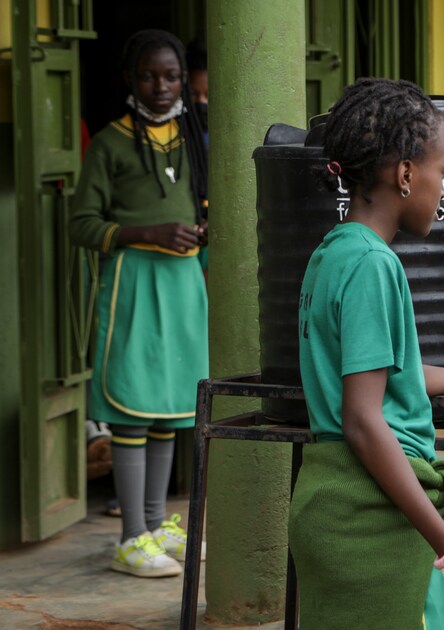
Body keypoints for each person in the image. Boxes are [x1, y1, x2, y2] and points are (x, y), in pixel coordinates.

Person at [287, 78, 444, 629]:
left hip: (337, 505)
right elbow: (362, 419)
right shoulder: (372, 266)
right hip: (374, 515)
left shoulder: (332, 253)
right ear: (406, 174)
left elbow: (388, 378)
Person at [70, 28, 210, 578]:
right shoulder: (109, 143)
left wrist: (203, 228)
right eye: (149, 75)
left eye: (170, 76)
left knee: (168, 408)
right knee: (131, 404)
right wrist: (148, 231)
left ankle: (154, 526)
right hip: (132, 281)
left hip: (182, 285)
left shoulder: (192, 135)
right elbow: (81, 225)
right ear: (131, 78)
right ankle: (130, 537)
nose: (160, 86)